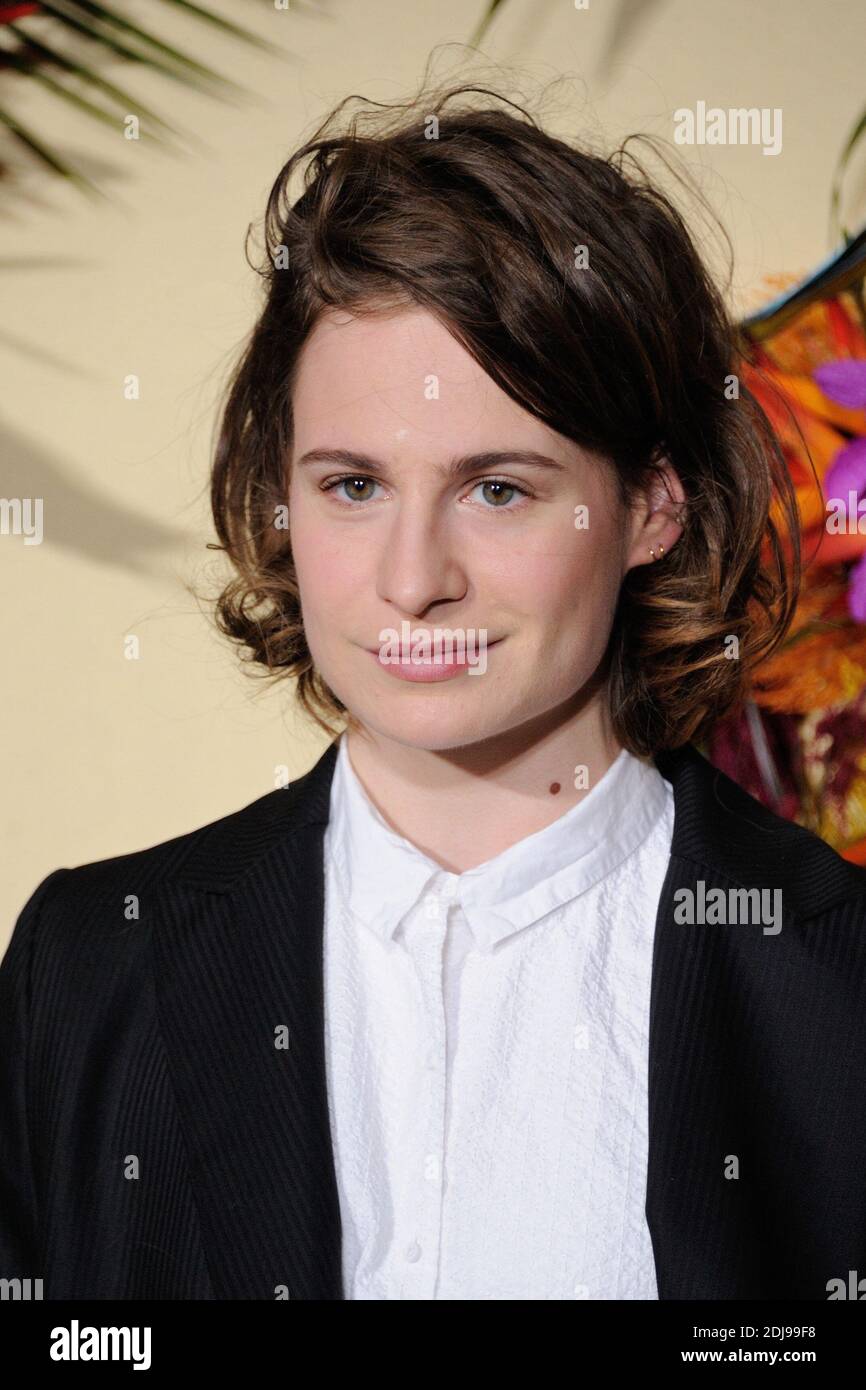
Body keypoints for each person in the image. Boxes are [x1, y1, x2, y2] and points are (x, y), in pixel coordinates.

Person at [3, 81, 866, 1303]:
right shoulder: (85, 968)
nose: (410, 582)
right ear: (280, 498)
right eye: (352, 485)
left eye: (497, 488)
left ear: (651, 506)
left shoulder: (836, 983)